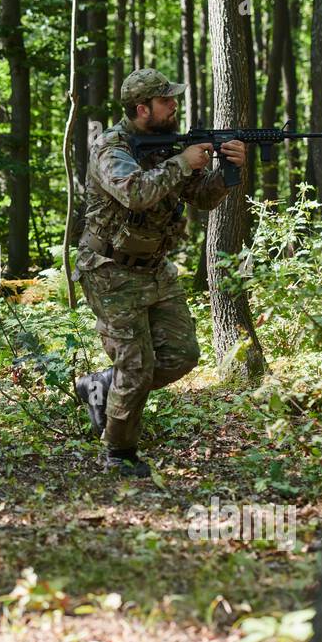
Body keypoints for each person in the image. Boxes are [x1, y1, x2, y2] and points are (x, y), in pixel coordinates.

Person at [73, 69, 247, 477]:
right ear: (142, 108)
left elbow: (201, 197)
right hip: (110, 269)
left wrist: (227, 172)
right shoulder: (110, 148)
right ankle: (119, 452)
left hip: (155, 269)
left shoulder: (165, 146)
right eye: (166, 101)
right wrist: (182, 163)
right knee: (136, 367)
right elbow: (134, 194)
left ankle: (101, 384)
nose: (174, 106)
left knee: (183, 355)